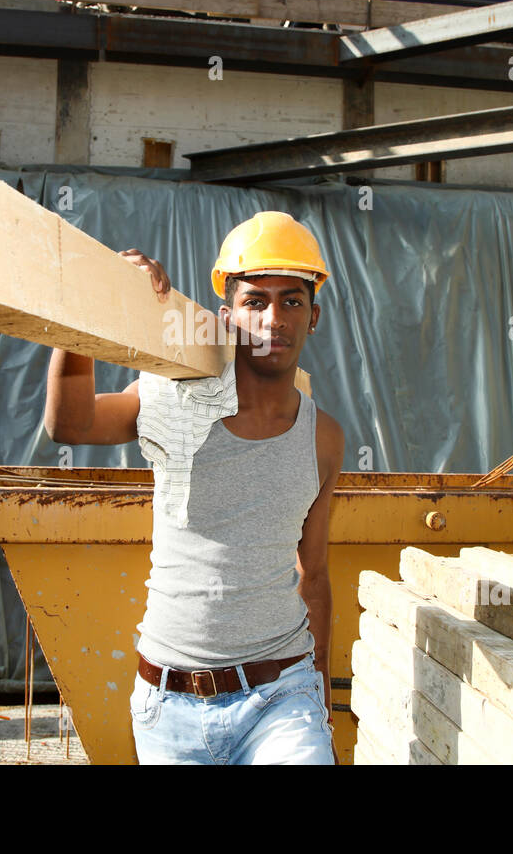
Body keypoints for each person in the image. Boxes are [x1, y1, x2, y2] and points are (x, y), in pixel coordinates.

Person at [43, 210, 344, 765]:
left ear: (313, 316)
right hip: (170, 703)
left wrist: (319, 689)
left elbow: (315, 571)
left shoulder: (322, 438)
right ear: (228, 316)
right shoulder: (170, 399)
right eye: (256, 301)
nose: (273, 317)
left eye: (291, 301)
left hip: (282, 693)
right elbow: (72, 424)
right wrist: (88, 303)